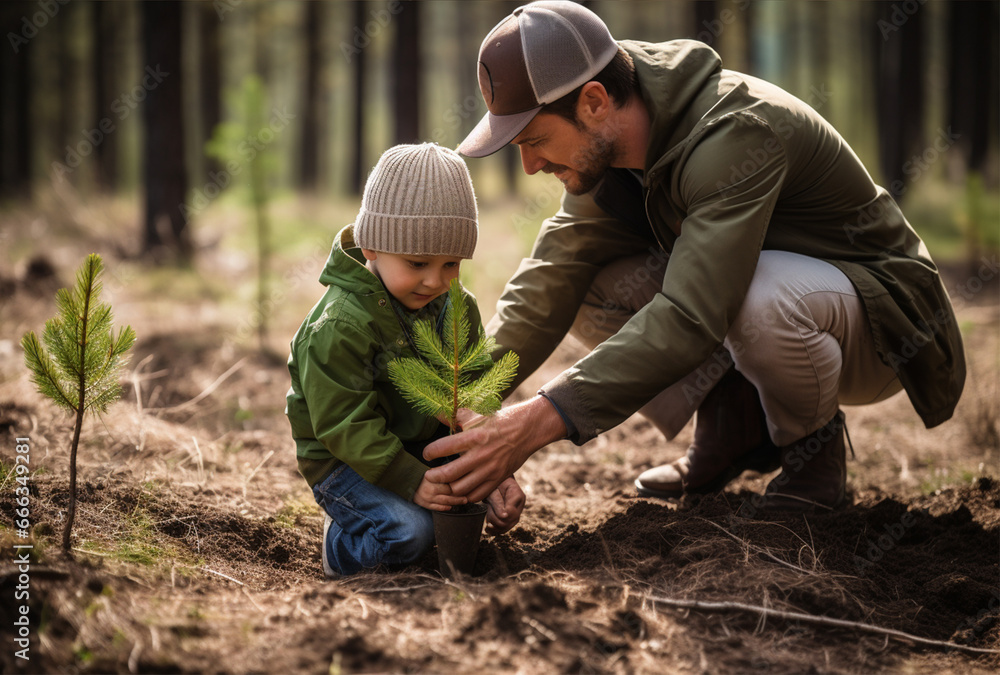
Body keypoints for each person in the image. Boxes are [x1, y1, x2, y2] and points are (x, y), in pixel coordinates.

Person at [422, 1, 965, 511]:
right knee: (586, 281)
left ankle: (812, 458)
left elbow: (692, 314)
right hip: (788, 315)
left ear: (593, 101)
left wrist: (534, 423)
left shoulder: (734, 134)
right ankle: (736, 427)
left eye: (535, 140)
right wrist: (461, 401)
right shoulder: (610, 150)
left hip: (883, 320)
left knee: (758, 294)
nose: (532, 167)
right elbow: (549, 277)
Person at [285, 143, 525, 577]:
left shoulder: (455, 307)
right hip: (345, 461)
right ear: (371, 246)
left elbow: (471, 391)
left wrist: (492, 468)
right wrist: (411, 480)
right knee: (409, 533)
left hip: (420, 447)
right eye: (417, 263)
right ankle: (340, 548)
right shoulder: (341, 325)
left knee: (459, 506)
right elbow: (342, 423)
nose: (436, 280)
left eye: (451, 263)